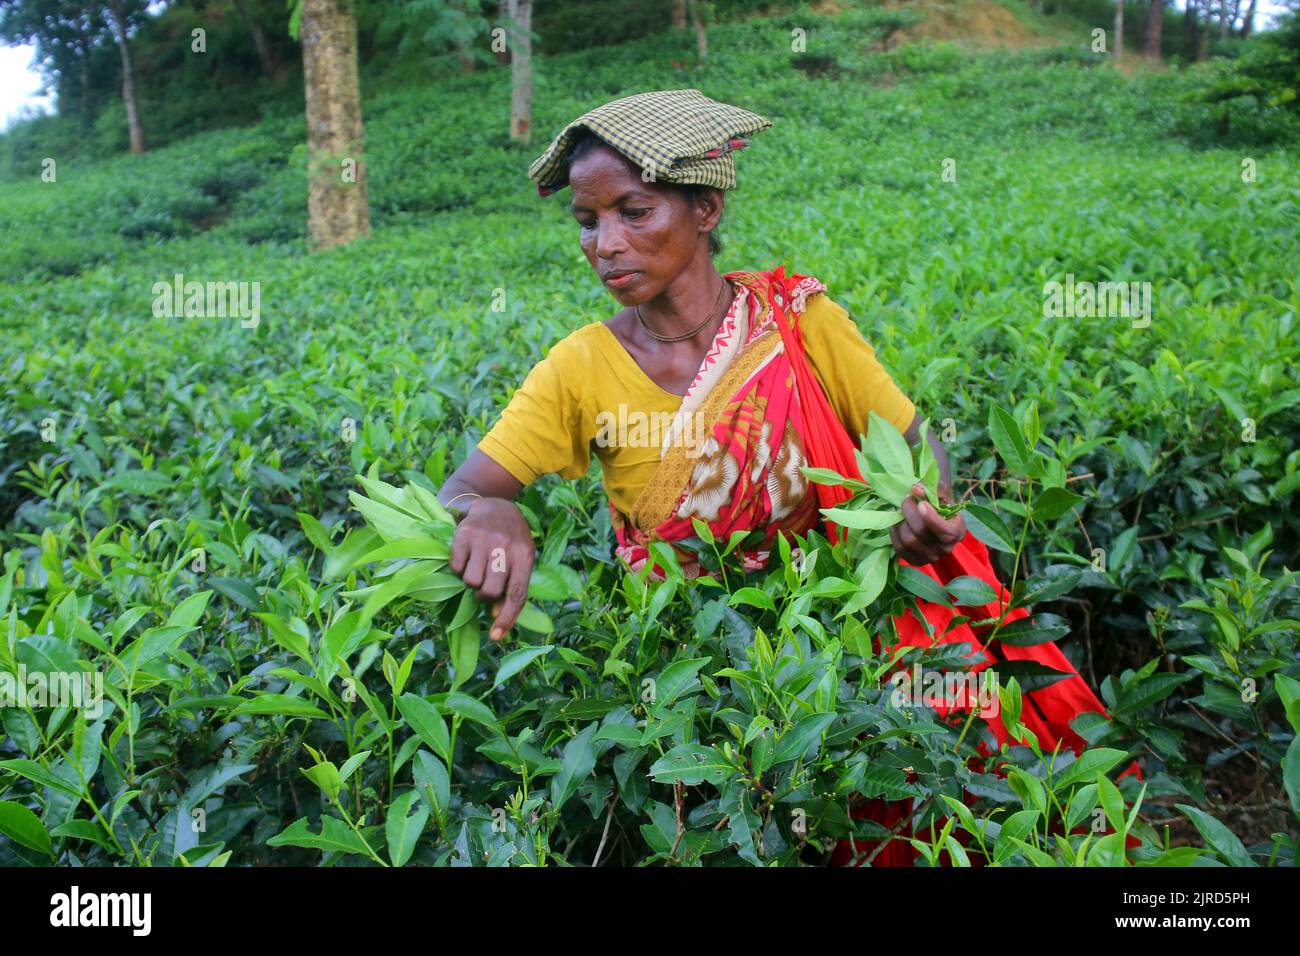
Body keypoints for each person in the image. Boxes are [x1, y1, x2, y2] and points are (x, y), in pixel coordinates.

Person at [435, 89, 1132, 865]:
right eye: (587, 221)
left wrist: (919, 508)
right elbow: (466, 488)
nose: (605, 243)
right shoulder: (580, 368)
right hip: (699, 680)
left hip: (849, 646)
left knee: (922, 824)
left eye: (634, 211)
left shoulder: (800, 324)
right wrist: (490, 511)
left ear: (704, 208)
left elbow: (912, 442)